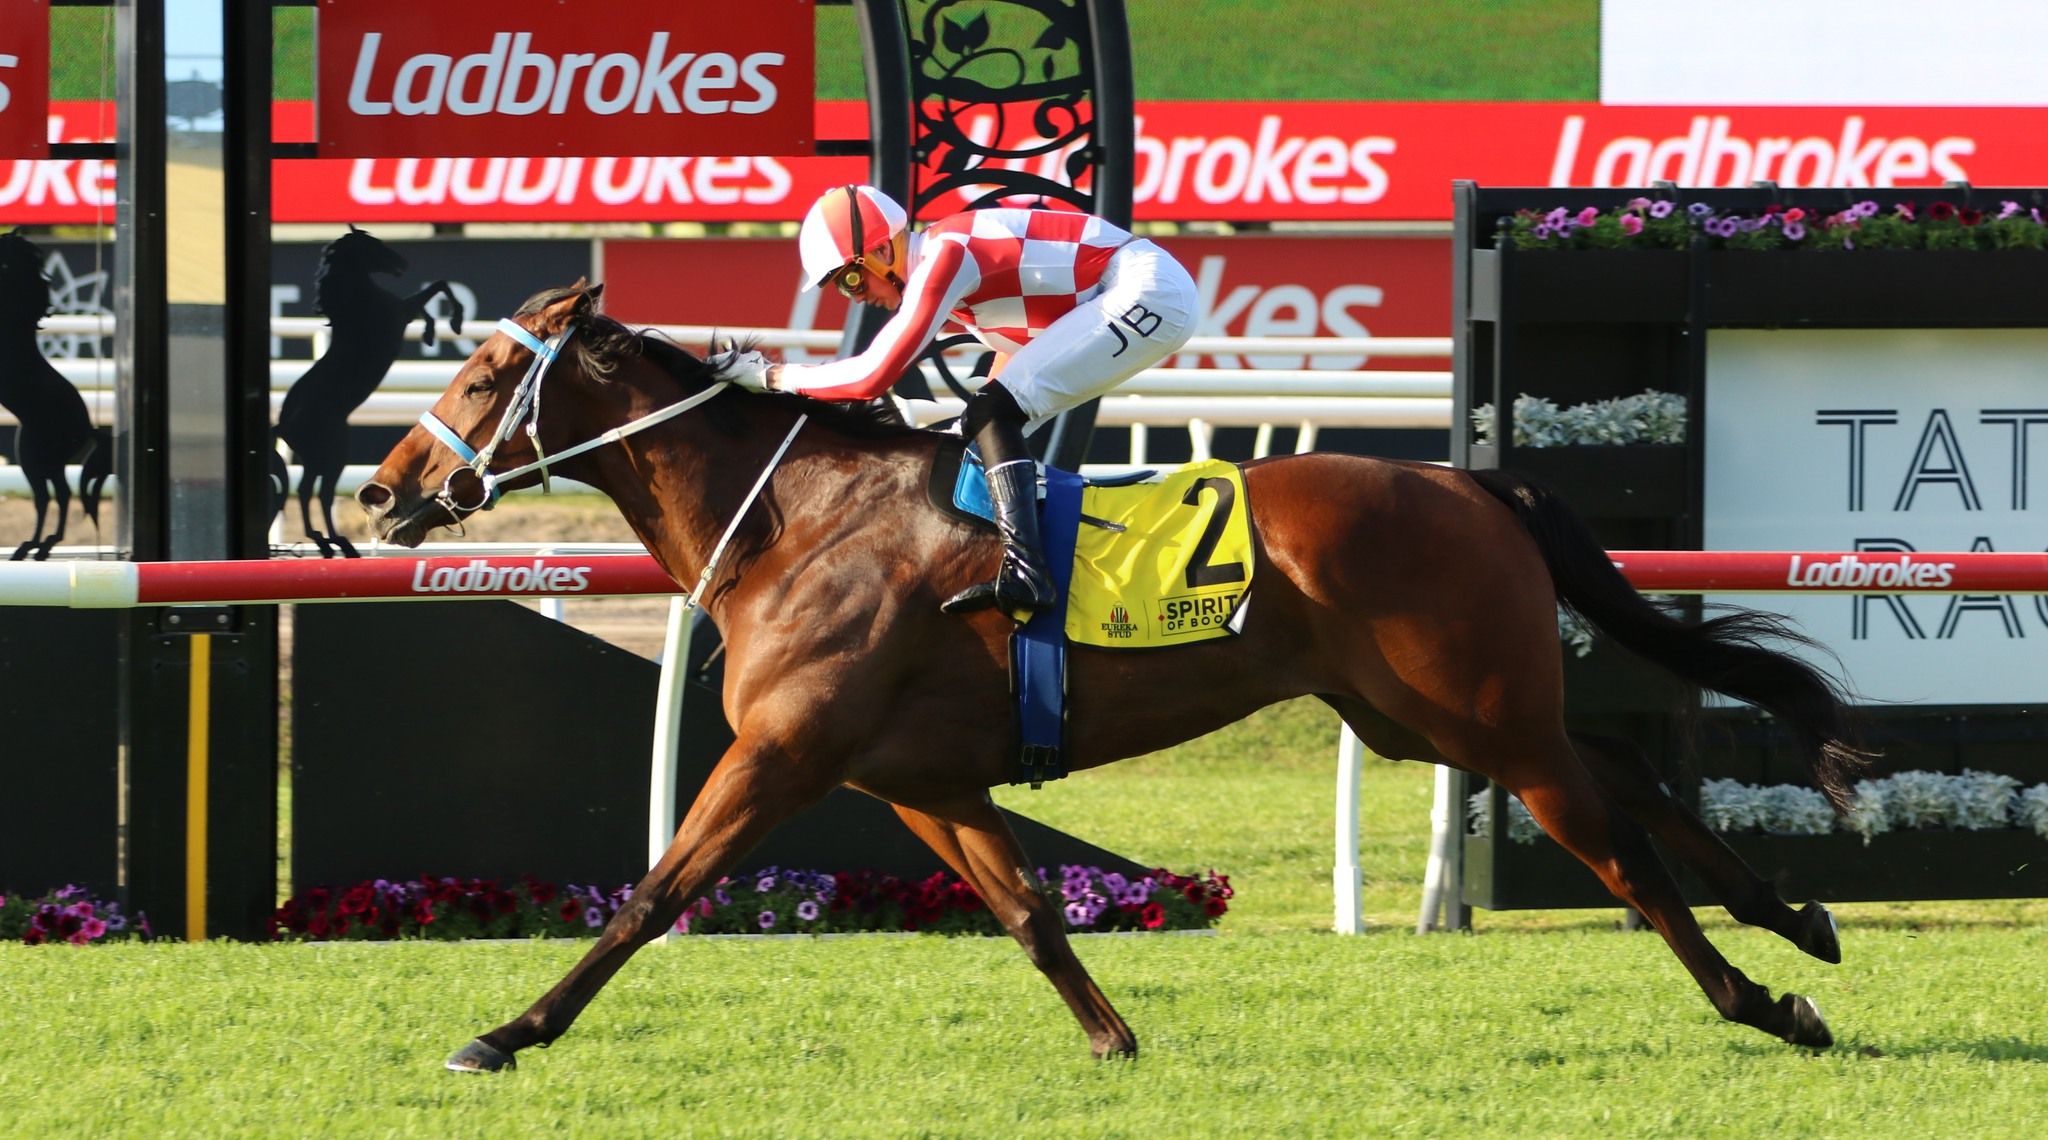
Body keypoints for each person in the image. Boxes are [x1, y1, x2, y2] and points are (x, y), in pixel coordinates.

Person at [715, 184, 1198, 624]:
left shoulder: (945, 256)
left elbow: (870, 378)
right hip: (1128, 285)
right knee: (974, 433)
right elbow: (1019, 352)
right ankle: (1007, 561)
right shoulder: (949, 262)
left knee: (991, 413)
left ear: (881, 250)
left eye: (852, 280)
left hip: (1146, 287)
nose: (855, 297)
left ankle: (1030, 573)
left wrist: (772, 377)